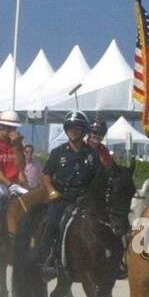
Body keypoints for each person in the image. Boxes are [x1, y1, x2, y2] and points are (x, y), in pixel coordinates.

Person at [32, 110, 102, 279]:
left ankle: (109, 259)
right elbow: (46, 175)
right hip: (62, 198)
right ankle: (45, 260)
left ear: (83, 131)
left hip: (84, 200)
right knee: (52, 222)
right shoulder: (58, 152)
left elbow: (98, 179)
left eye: (77, 128)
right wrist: (51, 191)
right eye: (70, 128)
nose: (73, 131)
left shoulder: (92, 154)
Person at [0, 110, 29, 204]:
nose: (12, 130)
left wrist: (17, 145)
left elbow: (22, 166)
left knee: (31, 203)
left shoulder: (16, 143)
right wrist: (9, 184)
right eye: (8, 127)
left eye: (13, 128)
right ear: (1, 126)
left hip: (15, 184)